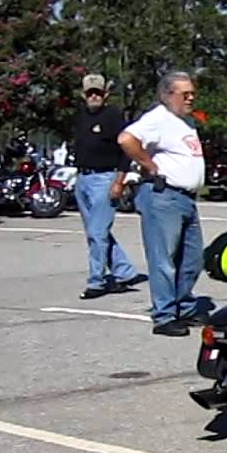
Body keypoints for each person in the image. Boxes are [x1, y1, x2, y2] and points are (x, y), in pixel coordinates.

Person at [117, 71, 207, 337]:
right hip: (163, 195)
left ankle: (184, 305)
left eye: (192, 93)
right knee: (164, 258)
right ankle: (165, 314)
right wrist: (150, 165)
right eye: (185, 94)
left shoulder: (185, 121)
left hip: (186, 197)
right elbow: (126, 139)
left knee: (192, 258)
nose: (191, 98)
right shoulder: (157, 119)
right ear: (168, 95)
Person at [71, 73, 144, 299]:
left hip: (106, 179)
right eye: (90, 92)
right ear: (84, 94)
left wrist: (119, 181)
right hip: (83, 178)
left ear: (105, 94)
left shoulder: (113, 116)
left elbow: (126, 151)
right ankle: (125, 272)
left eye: (98, 93)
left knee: (97, 233)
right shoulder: (80, 116)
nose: (94, 96)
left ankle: (96, 281)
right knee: (95, 232)